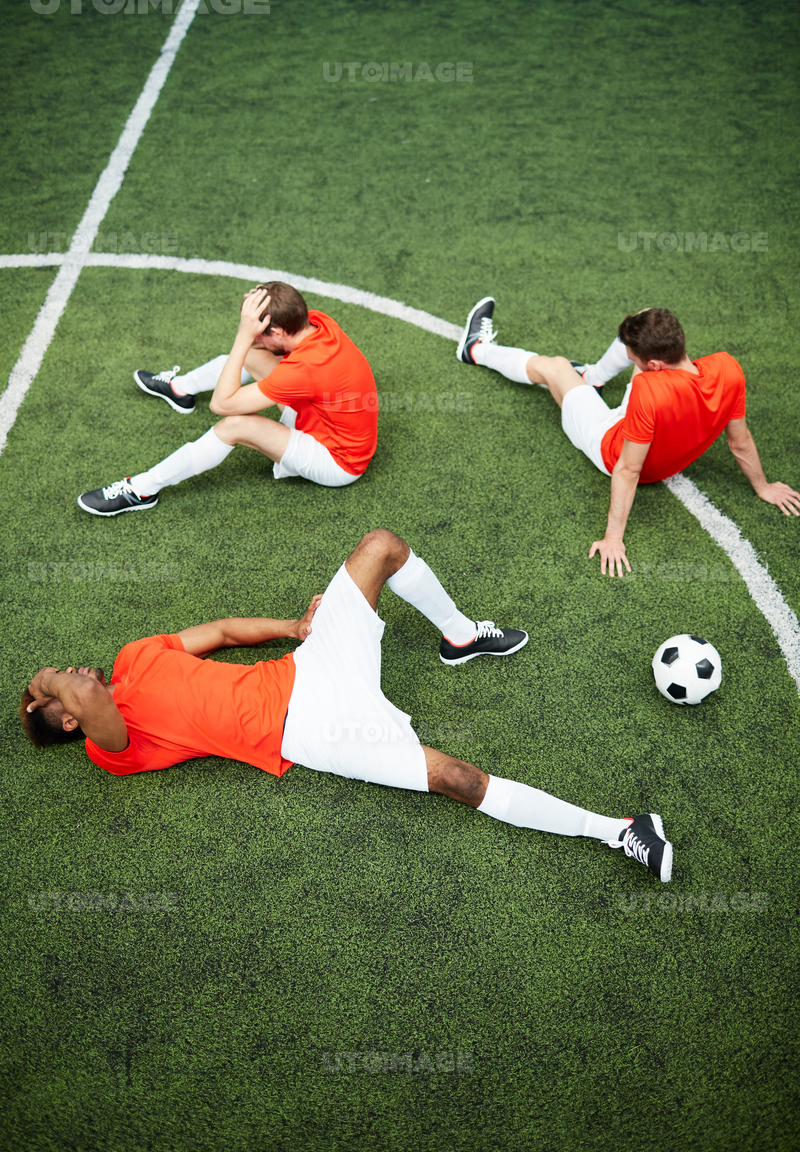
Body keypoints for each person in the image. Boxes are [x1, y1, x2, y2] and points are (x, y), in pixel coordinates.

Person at [20, 528, 671, 882]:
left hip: (308, 666)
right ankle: (620, 831)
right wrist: (44, 687)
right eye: (56, 688)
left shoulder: (137, 655)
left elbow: (217, 634)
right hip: (315, 730)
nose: (70, 674)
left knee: (381, 546)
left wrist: (294, 629)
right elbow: (85, 696)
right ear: (70, 720)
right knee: (457, 779)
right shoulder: (116, 746)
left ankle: (462, 635)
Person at [456, 298, 800, 576]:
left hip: (605, 442)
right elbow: (739, 442)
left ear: (653, 366)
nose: (629, 355)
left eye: (634, 356)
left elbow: (627, 470)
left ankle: (474, 349)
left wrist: (613, 538)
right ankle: (590, 377)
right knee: (644, 317)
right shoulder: (727, 368)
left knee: (556, 368)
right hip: (650, 427)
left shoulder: (649, 392)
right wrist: (763, 487)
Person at [77, 283, 378, 515]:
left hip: (337, 461)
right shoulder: (315, 322)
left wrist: (243, 337)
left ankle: (141, 490)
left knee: (234, 424)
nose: (256, 336)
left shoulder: (303, 370)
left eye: (261, 332)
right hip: (325, 421)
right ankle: (180, 390)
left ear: (277, 330)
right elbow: (273, 349)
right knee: (252, 356)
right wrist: (262, 307)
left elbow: (221, 405)